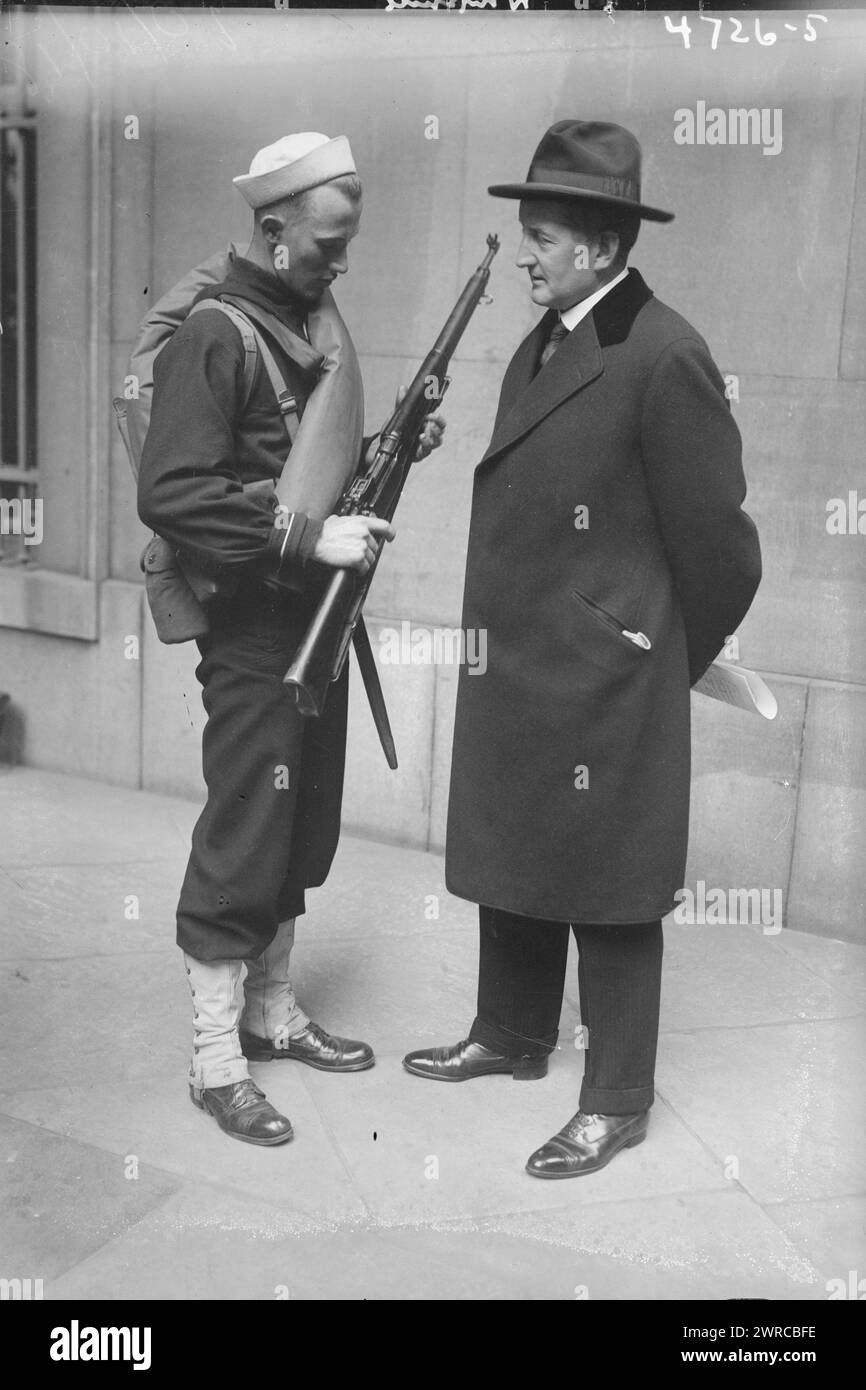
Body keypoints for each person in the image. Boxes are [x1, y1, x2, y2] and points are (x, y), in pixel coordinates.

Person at [403, 120, 762, 1178]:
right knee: (517, 841)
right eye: (527, 234)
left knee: (609, 883)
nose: (526, 253)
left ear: (602, 248)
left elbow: (720, 543)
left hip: (607, 674)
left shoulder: (663, 354)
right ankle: (510, 1033)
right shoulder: (551, 333)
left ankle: (615, 1098)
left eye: (545, 237)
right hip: (519, 659)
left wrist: (652, 644)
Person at [138, 133, 443, 1146]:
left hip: (314, 621)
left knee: (298, 822)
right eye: (325, 244)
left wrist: (383, 460)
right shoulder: (217, 335)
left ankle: (269, 1010)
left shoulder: (302, 315)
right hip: (252, 626)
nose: (339, 263)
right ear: (271, 231)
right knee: (242, 832)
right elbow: (174, 492)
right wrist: (312, 534)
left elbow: (303, 458)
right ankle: (214, 1058)